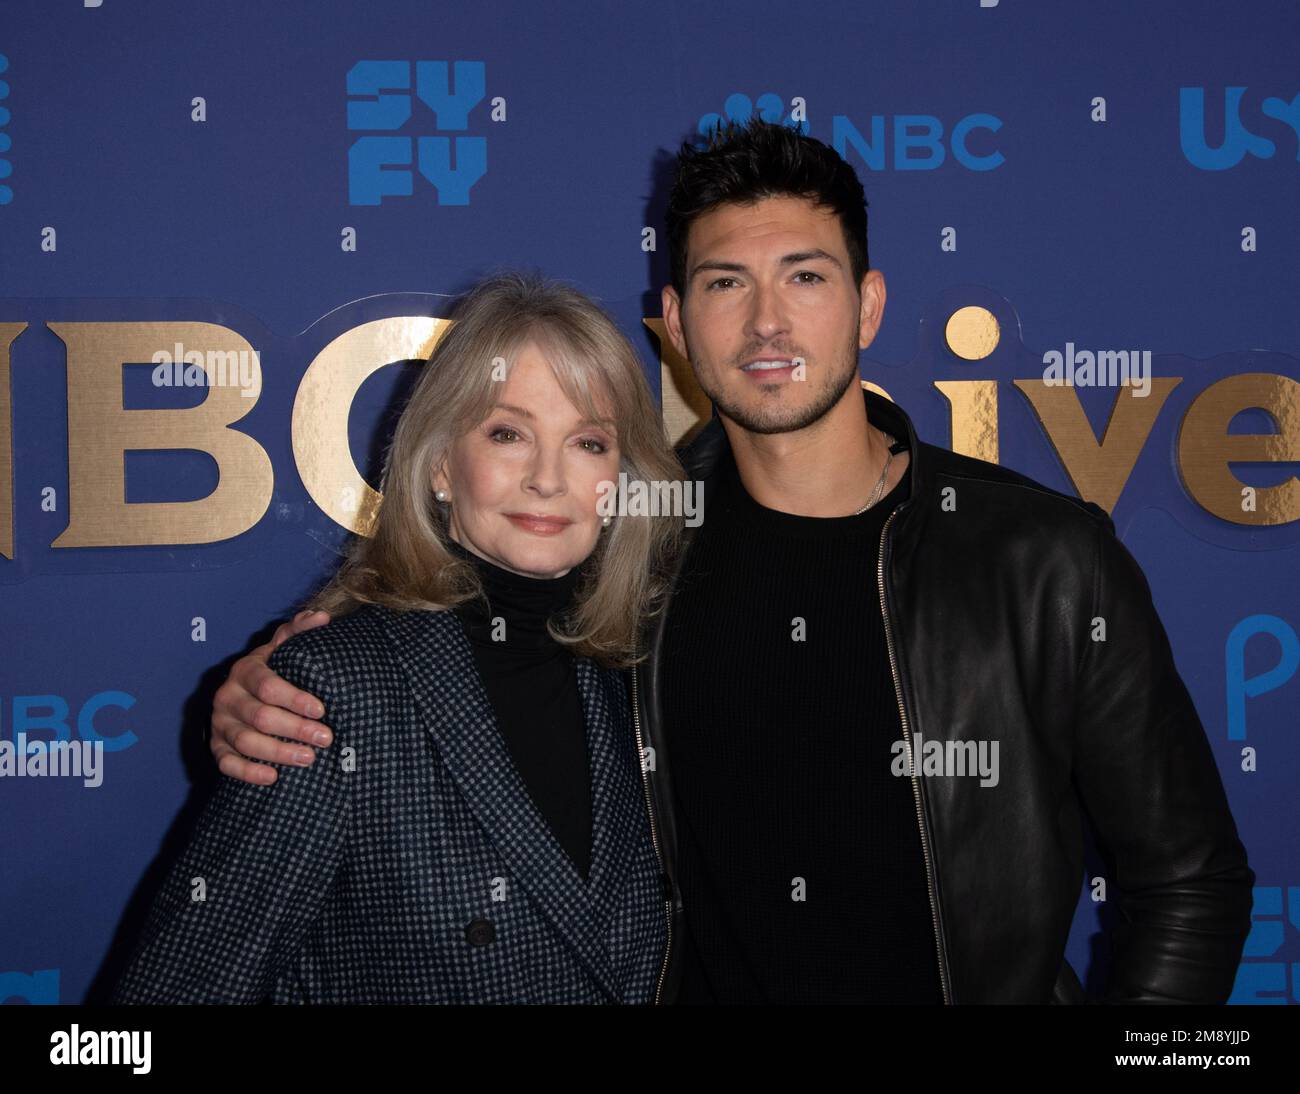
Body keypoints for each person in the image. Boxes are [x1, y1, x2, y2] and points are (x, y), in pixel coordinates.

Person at [207, 119, 1255, 1004]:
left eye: (805, 276)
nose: (766, 320)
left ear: (868, 303)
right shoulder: (628, 541)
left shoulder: (1041, 556)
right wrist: (271, 675)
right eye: (723, 283)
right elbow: (438, 613)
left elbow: (1188, 879)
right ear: (673, 325)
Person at [113, 272, 683, 1004]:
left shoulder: (640, 678)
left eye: (588, 442)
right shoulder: (331, 693)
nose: (548, 478)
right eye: (508, 434)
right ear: (443, 464)